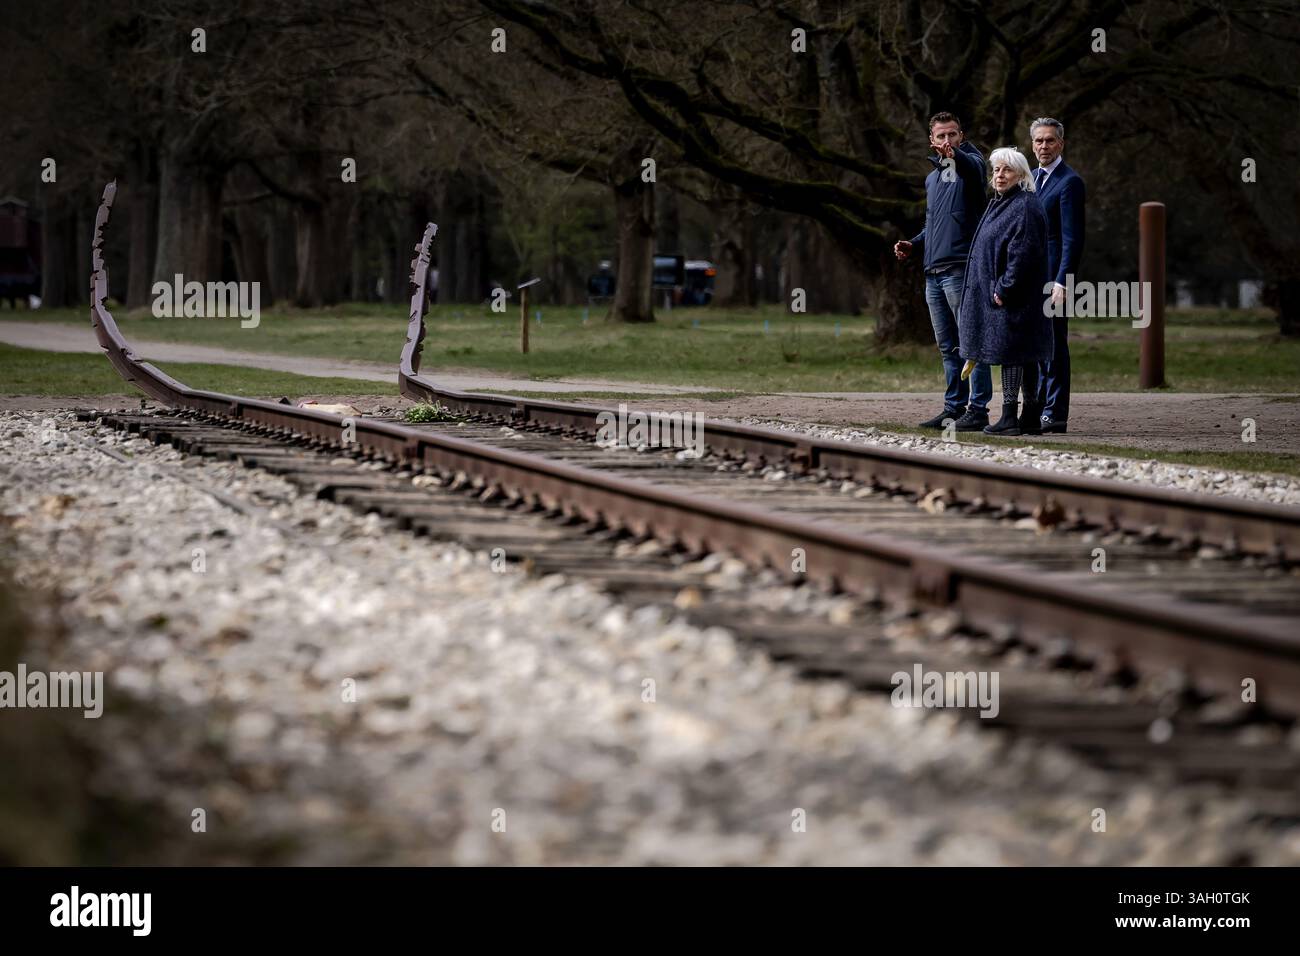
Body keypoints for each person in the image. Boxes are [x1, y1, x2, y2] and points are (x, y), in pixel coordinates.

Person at [894, 112, 992, 432]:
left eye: (952, 135)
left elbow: (971, 167)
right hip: (933, 273)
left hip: (961, 269)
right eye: (941, 136)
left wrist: (958, 157)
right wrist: (914, 244)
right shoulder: (932, 179)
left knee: (971, 343)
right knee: (948, 347)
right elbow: (934, 224)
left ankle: (978, 409)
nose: (947, 141)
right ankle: (953, 408)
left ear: (961, 136)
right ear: (931, 141)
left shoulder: (972, 166)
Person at [957, 147, 1054, 436]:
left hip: (1014, 297)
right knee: (1023, 352)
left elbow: (1022, 251)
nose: (1000, 175)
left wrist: (1004, 288)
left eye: (1007, 170)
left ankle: (1010, 417)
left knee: (1013, 352)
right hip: (1006, 295)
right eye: (996, 170)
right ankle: (1031, 417)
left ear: (1021, 174)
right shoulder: (1003, 202)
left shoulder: (1024, 205)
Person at [1027, 117, 1085, 434]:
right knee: (1035, 346)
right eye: (1039, 141)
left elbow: (1072, 239)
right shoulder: (1033, 178)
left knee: (1053, 346)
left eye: (1050, 140)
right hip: (1031, 278)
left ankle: (1055, 413)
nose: (1044, 146)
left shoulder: (1070, 182)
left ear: (1061, 143)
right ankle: (1035, 408)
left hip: (1055, 280)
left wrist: (1063, 281)